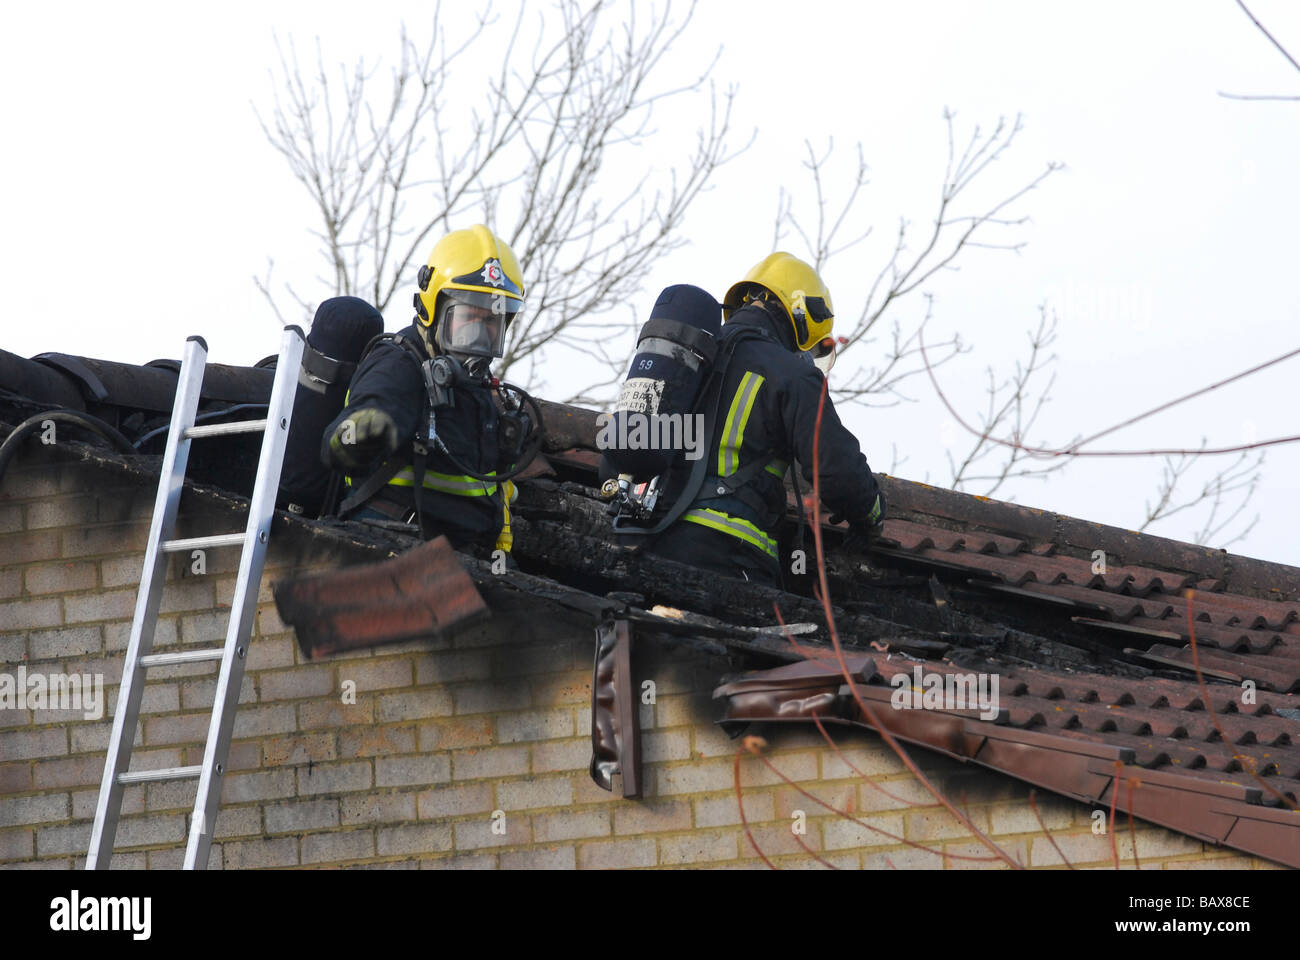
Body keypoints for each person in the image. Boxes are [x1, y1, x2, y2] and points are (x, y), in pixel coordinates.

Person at [646, 252, 886, 586]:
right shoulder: (793, 373)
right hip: (729, 554)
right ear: (804, 315)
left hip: (655, 535)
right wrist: (870, 513)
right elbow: (836, 469)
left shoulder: (694, 352)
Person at [321, 224, 527, 552]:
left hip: (467, 557)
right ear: (433, 308)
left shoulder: (480, 390)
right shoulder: (400, 365)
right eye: (469, 318)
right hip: (391, 548)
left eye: (491, 322)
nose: (479, 336)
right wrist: (365, 431)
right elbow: (349, 435)